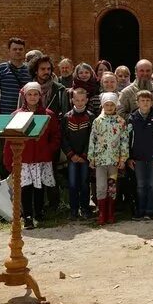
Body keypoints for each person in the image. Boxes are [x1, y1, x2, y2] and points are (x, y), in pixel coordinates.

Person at [4, 81, 60, 230]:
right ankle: (27, 216)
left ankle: (39, 212)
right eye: (30, 94)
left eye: (36, 94)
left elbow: (55, 135)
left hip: (42, 157)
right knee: (26, 187)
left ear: (40, 96)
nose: (33, 97)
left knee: (39, 186)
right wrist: (9, 160)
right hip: (24, 159)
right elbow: (10, 139)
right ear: (24, 96)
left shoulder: (48, 115)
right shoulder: (16, 115)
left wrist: (50, 149)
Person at [0, 37, 31, 178]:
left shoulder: (29, 71)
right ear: (9, 51)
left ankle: (21, 184)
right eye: (15, 49)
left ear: (24, 51)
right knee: (4, 153)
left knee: (23, 151)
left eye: (20, 49)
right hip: (5, 116)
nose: (18, 52)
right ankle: (5, 183)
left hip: (24, 117)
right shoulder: (0, 69)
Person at [88, 92, 128, 225]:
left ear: (116, 105)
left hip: (114, 161)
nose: (109, 107)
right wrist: (91, 157)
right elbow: (92, 139)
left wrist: (123, 159)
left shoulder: (121, 121)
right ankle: (102, 213)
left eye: (112, 105)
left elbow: (124, 141)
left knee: (112, 187)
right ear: (103, 105)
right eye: (107, 105)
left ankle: (110, 213)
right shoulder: (97, 121)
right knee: (101, 187)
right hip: (100, 160)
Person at [127, 90, 153, 221]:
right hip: (137, 158)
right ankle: (140, 210)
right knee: (140, 185)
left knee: (152, 185)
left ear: (152, 103)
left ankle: (150, 211)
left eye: (147, 101)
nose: (145, 103)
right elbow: (128, 139)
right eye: (142, 101)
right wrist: (129, 157)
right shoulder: (132, 118)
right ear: (137, 102)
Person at [61, 87, 94, 220]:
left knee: (85, 183)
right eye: (77, 100)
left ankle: (85, 208)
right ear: (72, 100)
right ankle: (73, 210)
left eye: (82, 100)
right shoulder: (66, 117)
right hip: (72, 157)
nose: (79, 102)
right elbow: (63, 138)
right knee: (73, 183)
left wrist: (85, 155)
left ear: (86, 100)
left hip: (85, 157)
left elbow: (92, 137)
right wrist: (71, 155)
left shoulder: (90, 116)